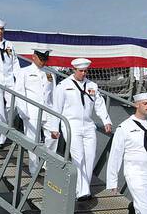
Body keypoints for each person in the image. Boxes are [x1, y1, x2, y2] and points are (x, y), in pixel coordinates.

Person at [47, 58, 113, 202]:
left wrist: (106, 120)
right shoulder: (63, 86)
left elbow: (99, 105)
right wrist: (54, 127)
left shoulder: (92, 86)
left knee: (90, 157)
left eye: (85, 71)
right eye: (81, 71)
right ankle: (82, 191)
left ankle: (84, 188)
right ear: (74, 70)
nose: (83, 73)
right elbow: (56, 108)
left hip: (88, 126)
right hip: (71, 125)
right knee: (78, 156)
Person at [16, 47, 55, 175]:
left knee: (53, 137)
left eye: (45, 59)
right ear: (34, 57)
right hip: (31, 112)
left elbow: (52, 95)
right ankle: (34, 168)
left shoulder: (50, 73)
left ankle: (46, 163)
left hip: (48, 111)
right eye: (41, 59)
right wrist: (23, 112)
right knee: (33, 140)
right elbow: (19, 93)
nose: (43, 62)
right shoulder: (24, 72)